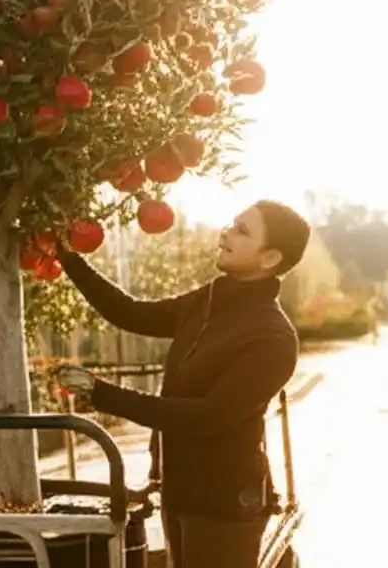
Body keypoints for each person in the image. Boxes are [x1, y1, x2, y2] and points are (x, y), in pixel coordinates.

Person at [55, 199, 310, 568]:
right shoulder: (209, 299)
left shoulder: (273, 337)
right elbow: (129, 312)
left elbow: (209, 416)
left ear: (270, 258)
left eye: (243, 231)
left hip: (225, 507)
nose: (227, 232)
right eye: (232, 223)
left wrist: (103, 394)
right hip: (180, 494)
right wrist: (66, 256)